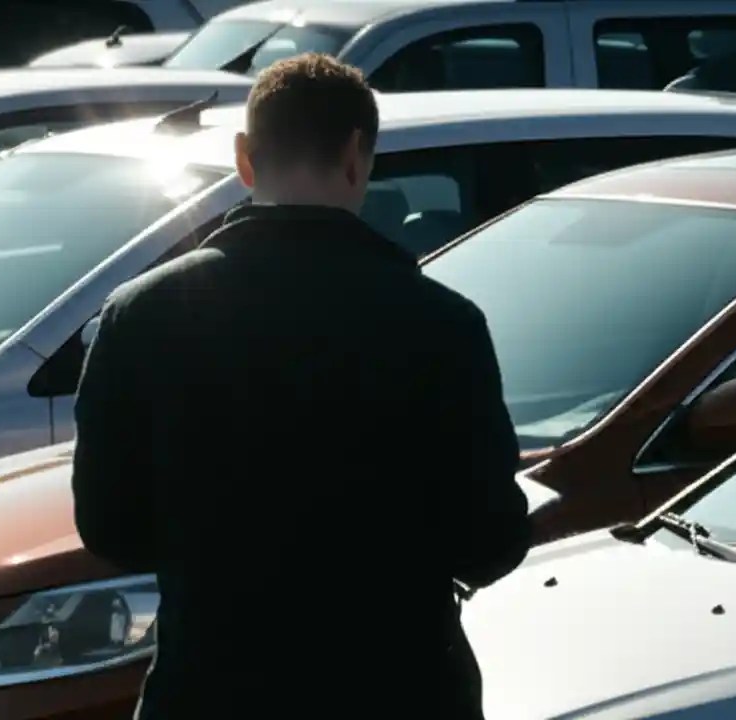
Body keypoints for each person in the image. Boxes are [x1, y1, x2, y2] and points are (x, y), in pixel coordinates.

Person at [70, 53, 531, 719]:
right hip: (399, 687)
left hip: (208, 689)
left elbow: (108, 527)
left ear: (244, 159)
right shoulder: (442, 323)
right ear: (355, 156)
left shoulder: (141, 313)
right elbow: (488, 542)